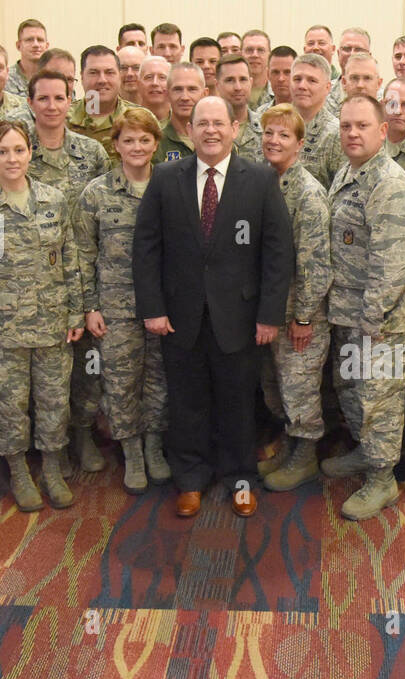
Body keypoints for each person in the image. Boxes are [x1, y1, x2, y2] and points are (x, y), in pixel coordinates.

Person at [132, 96, 294, 519]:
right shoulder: (166, 177)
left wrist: (269, 314)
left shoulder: (259, 180)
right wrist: (152, 307)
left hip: (239, 319)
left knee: (238, 403)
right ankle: (190, 480)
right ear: (189, 130)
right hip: (177, 317)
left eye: (218, 123)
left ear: (235, 129)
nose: (210, 131)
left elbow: (277, 252)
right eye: (201, 123)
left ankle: (240, 479)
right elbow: (146, 249)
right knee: (186, 402)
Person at [0, 119, 83, 511]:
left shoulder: (53, 200)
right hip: (2, 330)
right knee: (8, 406)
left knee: (54, 402)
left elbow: (70, 259)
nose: (12, 158)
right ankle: (18, 470)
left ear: (31, 153)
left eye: (20, 150)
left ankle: (51, 466)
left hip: (51, 324)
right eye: (3, 151)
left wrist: (76, 312)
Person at [318, 95, 405, 521]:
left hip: (377, 320)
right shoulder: (348, 172)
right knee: (353, 390)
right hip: (346, 309)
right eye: (345, 126)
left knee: (379, 399)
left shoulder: (389, 183)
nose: (352, 133)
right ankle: (365, 453)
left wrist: (371, 317)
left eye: (362, 126)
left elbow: (394, 263)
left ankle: (383, 480)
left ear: (382, 131)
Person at [74, 109, 171, 494]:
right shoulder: (96, 193)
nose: (137, 147)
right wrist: (90, 306)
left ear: (155, 144)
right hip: (114, 307)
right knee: (120, 382)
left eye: (144, 139)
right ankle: (131, 451)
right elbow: (82, 252)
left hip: (162, 305)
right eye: (128, 140)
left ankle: (154, 446)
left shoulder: (170, 187)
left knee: (159, 378)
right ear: (114, 146)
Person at [24, 69, 109, 472]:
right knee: (49, 375)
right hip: (40, 282)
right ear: (30, 103)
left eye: (60, 98)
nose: (53, 106)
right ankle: (47, 446)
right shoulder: (17, 151)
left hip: (88, 271)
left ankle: (83, 433)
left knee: (90, 365)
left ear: (71, 100)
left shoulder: (91, 152)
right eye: (44, 99)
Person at [258, 104, 334, 492]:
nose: (274, 140)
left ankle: (305, 458)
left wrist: (304, 317)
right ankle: (290, 445)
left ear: (300, 144)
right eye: (269, 132)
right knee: (276, 386)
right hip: (268, 312)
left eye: (284, 135)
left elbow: (317, 263)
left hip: (298, 316)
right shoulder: (262, 182)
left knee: (299, 387)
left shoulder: (307, 193)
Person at [70, 46, 155, 164]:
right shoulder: (62, 118)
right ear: (82, 76)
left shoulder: (142, 118)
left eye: (109, 72)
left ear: (119, 76)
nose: (102, 80)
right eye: (93, 73)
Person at [289, 54, 344, 188]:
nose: (302, 86)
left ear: (327, 87)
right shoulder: (275, 125)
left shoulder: (336, 134)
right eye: (297, 79)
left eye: (312, 81)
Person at [217, 55, 262, 162]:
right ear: (217, 85)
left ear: (251, 83)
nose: (238, 87)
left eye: (243, 79)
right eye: (230, 80)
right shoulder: (209, 130)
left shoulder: (267, 127)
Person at [158, 63, 204, 162]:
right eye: (177, 89)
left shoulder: (217, 139)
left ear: (205, 94)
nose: (185, 97)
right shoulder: (155, 140)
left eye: (192, 89)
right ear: (167, 94)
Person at [7, 19, 48, 98]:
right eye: (29, 40)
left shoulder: (55, 78)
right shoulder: (6, 79)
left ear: (46, 46)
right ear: (18, 45)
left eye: (40, 40)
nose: (36, 44)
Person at [243, 30, 272, 110]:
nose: (255, 55)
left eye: (260, 50)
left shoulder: (278, 92)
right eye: (249, 50)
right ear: (241, 54)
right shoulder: (232, 92)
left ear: (269, 55)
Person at [137, 56, 171, 124]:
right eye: (149, 77)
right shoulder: (127, 122)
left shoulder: (182, 122)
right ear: (139, 84)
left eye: (162, 77)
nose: (155, 83)